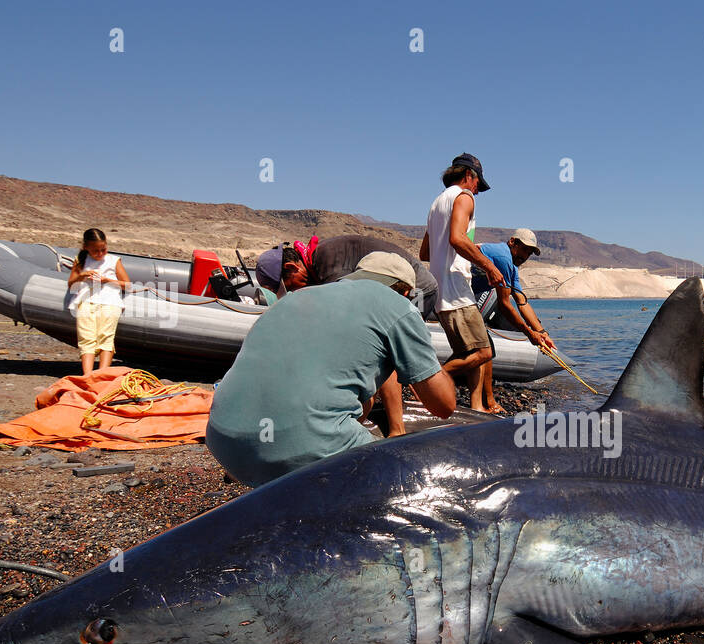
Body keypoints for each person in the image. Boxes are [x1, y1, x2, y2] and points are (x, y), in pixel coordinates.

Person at [206, 252, 455, 487]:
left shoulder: (296, 298)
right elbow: (444, 406)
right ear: (406, 291)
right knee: (403, 478)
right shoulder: (399, 307)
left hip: (223, 439)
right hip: (299, 449)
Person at [420, 153, 506, 413]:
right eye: (478, 182)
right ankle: (426, 385)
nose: (478, 190)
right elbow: (458, 239)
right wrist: (489, 266)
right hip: (457, 289)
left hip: (441, 292)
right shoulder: (464, 197)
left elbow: (425, 253)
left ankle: (478, 406)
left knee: (470, 354)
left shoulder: (437, 203)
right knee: (483, 352)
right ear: (469, 175)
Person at [470, 229, 556, 412]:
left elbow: (521, 301)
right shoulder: (503, 258)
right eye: (524, 250)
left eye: (530, 253)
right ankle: (486, 403)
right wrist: (528, 333)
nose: (526, 256)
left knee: (487, 349)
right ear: (512, 242)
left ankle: (488, 402)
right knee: (485, 348)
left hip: (475, 296)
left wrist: (542, 333)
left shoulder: (511, 267)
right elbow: (504, 304)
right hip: (463, 296)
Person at [257, 234, 439, 319]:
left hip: (419, 291)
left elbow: (340, 312)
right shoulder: (317, 258)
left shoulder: (329, 266)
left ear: (292, 267)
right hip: (400, 289)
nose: (292, 291)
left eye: (289, 286)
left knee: (392, 345)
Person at [66, 228, 131, 375]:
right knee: (86, 338)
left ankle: (102, 374)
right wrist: (82, 275)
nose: (100, 254)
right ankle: (88, 375)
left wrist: (107, 280)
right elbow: (71, 284)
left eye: (103, 249)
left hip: (110, 302)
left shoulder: (114, 260)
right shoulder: (81, 260)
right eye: (96, 251)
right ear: (86, 247)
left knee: (106, 337)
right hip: (86, 301)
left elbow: (127, 284)